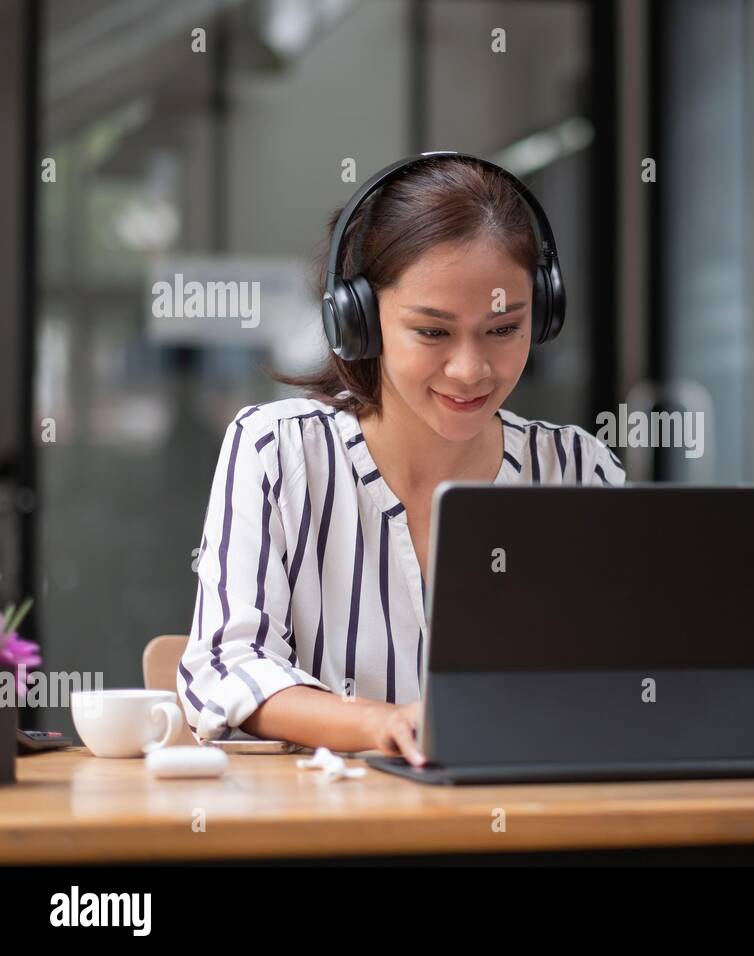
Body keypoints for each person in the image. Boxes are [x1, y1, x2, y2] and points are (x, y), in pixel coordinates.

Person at [177, 154, 624, 767]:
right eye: (433, 332)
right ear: (360, 321)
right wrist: (381, 724)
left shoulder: (578, 468)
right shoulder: (276, 451)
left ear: (540, 315)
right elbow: (224, 669)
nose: (471, 370)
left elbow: (628, 680)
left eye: (503, 328)